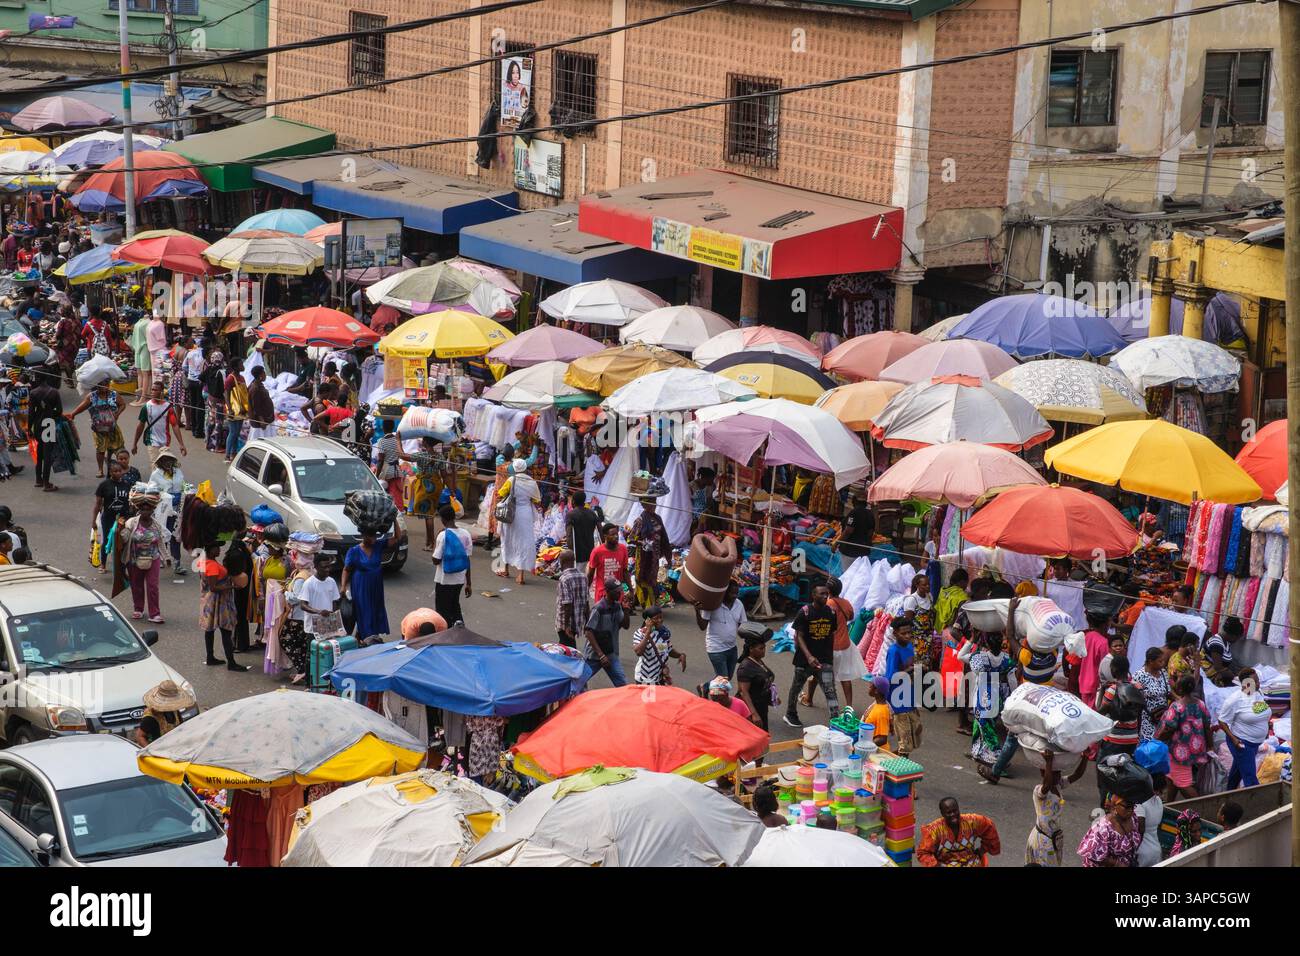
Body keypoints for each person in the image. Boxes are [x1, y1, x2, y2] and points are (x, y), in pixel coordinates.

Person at [783, 585, 840, 729]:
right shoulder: (805, 612)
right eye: (821, 594)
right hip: (804, 661)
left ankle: (835, 720)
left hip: (824, 661)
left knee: (830, 690)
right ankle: (790, 714)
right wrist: (809, 656)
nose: (825, 596)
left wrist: (830, 658)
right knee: (796, 687)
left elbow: (831, 635)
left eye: (826, 594)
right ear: (813, 595)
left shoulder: (831, 613)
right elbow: (799, 636)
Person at [1025, 751, 1089, 866]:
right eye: (1055, 773)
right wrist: (1049, 762)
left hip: (1054, 837)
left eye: (1058, 772)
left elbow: (1077, 775)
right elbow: (1047, 784)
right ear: (1043, 773)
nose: (1058, 776)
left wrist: (1085, 757)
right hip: (1042, 840)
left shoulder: (1058, 785)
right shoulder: (1039, 791)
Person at [1156, 675, 1215, 799]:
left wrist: (1156, 740)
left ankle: (1201, 808)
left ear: (1180, 690)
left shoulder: (1177, 707)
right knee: (1171, 776)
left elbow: (1168, 729)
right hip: (1196, 747)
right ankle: (1171, 804)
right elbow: (1207, 726)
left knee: (1183, 783)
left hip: (1179, 751)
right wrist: (1210, 746)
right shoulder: (1200, 704)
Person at [1095, 654, 1141, 805]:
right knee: (1124, 771)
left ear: (1113, 669)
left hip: (1113, 739)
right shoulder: (1137, 687)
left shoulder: (1112, 690)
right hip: (1132, 738)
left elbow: (1100, 711)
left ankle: (1104, 805)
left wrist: (1102, 690)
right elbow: (1139, 714)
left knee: (1104, 771)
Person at [1217, 667, 1271, 790]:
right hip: (1242, 743)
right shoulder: (1234, 700)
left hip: (1255, 743)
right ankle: (1258, 806)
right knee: (1250, 779)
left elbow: (1257, 712)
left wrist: (1265, 727)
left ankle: (1228, 796)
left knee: (1237, 773)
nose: (1258, 684)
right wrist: (1234, 739)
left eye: (1258, 681)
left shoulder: (1258, 693)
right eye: (1255, 682)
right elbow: (1222, 720)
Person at [198, 541, 248, 671]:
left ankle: (210, 657)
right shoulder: (213, 566)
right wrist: (232, 586)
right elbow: (214, 587)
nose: (219, 550)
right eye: (216, 548)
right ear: (209, 550)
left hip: (208, 599)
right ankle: (231, 662)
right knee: (226, 631)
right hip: (218, 601)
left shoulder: (205, 562)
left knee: (209, 630)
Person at [342, 527, 396, 644]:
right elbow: (346, 570)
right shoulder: (354, 551)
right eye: (370, 536)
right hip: (361, 585)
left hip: (376, 585)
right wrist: (343, 587)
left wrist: (395, 520)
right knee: (364, 611)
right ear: (363, 535)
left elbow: (397, 538)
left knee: (375, 610)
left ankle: (361, 637)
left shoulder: (378, 545)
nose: (373, 539)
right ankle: (367, 638)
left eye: (375, 536)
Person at [120, 492, 165, 623]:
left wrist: (166, 557)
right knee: (136, 585)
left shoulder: (156, 525)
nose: (145, 512)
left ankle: (155, 613)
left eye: (148, 509)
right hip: (134, 559)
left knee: (153, 586)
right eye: (143, 509)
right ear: (139, 509)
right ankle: (138, 609)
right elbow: (124, 539)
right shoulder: (131, 523)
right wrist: (120, 529)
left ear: (153, 510)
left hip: (153, 558)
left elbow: (160, 542)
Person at [916, 798, 1001, 867]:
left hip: (972, 863)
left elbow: (989, 827)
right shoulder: (934, 830)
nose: (953, 815)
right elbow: (922, 853)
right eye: (949, 813)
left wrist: (983, 849)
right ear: (942, 814)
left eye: (955, 811)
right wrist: (937, 865)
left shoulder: (972, 821)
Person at [67, 381, 127, 477]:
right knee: (100, 449)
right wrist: (73, 414)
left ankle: (119, 466)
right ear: (96, 386)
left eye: (106, 384)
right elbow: (82, 407)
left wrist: (117, 414)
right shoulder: (92, 396)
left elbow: (123, 404)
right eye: (101, 385)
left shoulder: (114, 394)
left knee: (118, 447)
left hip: (113, 427)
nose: (104, 387)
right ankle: (100, 469)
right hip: (99, 429)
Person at [496, 457, 541, 585]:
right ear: (525, 468)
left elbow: (500, 494)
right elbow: (537, 500)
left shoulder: (511, 480)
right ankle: (520, 575)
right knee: (523, 542)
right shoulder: (532, 481)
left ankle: (505, 569)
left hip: (511, 513)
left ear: (515, 468)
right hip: (526, 514)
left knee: (507, 540)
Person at [695, 580, 747, 680]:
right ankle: (716, 693)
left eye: (737, 593)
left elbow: (743, 624)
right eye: (732, 593)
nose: (735, 596)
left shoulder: (739, 604)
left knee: (727, 678)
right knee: (724, 679)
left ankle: (705, 687)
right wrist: (697, 611)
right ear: (725, 592)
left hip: (732, 648)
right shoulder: (712, 604)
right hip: (716, 648)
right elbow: (702, 626)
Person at [430, 504, 472, 627]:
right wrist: (468, 583)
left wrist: (434, 544)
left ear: (443, 519)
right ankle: (460, 632)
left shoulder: (443, 536)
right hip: (459, 579)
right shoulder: (465, 534)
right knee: (455, 606)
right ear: (454, 517)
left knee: (443, 612)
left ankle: (446, 637)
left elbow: (435, 560)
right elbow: (467, 559)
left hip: (444, 580)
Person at [885, 617, 921, 756]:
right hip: (898, 699)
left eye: (909, 633)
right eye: (903, 633)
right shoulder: (893, 651)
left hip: (909, 696)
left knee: (914, 736)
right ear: (895, 634)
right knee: (905, 741)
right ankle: (900, 770)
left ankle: (894, 757)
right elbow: (891, 677)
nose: (907, 636)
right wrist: (911, 670)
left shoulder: (910, 646)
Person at [584, 576, 629, 687]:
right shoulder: (599, 608)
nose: (620, 594)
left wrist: (626, 610)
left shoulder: (617, 606)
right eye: (617, 592)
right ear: (608, 592)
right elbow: (588, 631)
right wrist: (601, 655)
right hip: (595, 655)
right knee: (579, 681)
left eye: (620, 591)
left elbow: (626, 625)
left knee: (622, 684)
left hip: (610, 653)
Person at [627, 496, 670, 609]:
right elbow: (630, 538)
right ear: (644, 505)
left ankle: (638, 601)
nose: (653, 506)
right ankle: (649, 606)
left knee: (651, 579)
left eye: (655, 503)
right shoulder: (640, 521)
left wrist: (667, 556)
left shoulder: (658, 518)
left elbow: (664, 538)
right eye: (651, 504)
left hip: (654, 556)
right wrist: (642, 542)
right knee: (642, 578)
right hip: (643, 555)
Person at [1077, 793, 1141, 867]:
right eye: (1127, 807)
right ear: (1115, 806)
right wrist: (1117, 864)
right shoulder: (1102, 828)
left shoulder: (1133, 818)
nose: (1131, 810)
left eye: (1133, 806)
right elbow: (1094, 855)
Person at [90, 459, 132, 573]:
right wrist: (93, 520)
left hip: (122, 518)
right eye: (115, 471)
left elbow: (130, 501)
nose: (118, 473)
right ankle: (103, 564)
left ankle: (120, 565)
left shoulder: (127, 485)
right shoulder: (104, 485)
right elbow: (98, 504)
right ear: (110, 472)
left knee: (122, 541)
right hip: (108, 517)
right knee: (107, 540)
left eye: (120, 471)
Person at [148, 449, 186, 574]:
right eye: (164, 460)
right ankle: (159, 559)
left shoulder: (178, 472)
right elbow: (152, 490)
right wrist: (165, 495)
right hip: (162, 509)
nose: (167, 463)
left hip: (177, 509)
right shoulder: (156, 474)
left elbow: (183, 486)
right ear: (160, 462)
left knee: (176, 536)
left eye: (169, 460)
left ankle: (177, 563)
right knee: (161, 534)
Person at [131, 380, 187, 462]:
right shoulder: (146, 407)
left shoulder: (169, 407)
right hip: (152, 441)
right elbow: (140, 425)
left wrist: (181, 444)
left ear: (161, 392)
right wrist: (134, 444)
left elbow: (175, 425)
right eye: (152, 390)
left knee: (165, 468)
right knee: (155, 467)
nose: (152, 392)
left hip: (165, 442)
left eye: (155, 390)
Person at [1133, 744, 1169, 867]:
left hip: (1141, 853)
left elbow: (1140, 828)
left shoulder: (1139, 802)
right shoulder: (1158, 802)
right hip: (1156, 850)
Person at [28, 368, 63, 492]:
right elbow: (59, 411)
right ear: (47, 378)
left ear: (37, 378)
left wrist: (29, 428)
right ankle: (47, 483)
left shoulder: (33, 393)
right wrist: (50, 412)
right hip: (49, 424)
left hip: (38, 424)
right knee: (47, 454)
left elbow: (31, 413)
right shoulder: (54, 392)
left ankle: (38, 479)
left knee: (40, 452)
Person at [632, 607, 685, 685]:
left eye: (661, 617)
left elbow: (666, 650)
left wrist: (680, 655)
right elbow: (638, 652)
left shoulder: (663, 632)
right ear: (648, 620)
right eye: (656, 618)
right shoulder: (640, 633)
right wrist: (647, 633)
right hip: (646, 677)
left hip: (659, 676)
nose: (660, 620)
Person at [735, 628, 775, 730]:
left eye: (764, 648)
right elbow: (743, 692)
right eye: (760, 648)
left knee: (763, 736)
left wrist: (773, 696)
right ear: (751, 649)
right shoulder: (745, 667)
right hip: (751, 708)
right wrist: (754, 714)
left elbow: (765, 678)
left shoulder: (758, 661)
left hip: (761, 705)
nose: (764, 651)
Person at [1134, 646, 1171, 742]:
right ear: (1150, 661)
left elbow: (1169, 691)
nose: (1163, 664)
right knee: (1149, 746)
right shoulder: (1140, 675)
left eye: (1163, 661)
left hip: (1162, 717)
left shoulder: (1163, 673)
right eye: (1160, 661)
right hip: (1147, 719)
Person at [554, 550, 589, 649]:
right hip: (577, 621)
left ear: (562, 562)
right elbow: (586, 603)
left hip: (565, 622)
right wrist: (588, 622)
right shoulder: (583, 577)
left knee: (568, 649)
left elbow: (567, 605)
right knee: (564, 646)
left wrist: (566, 626)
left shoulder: (564, 578)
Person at [1076, 610, 1113, 702]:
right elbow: (1106, 668)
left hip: (1084, 681)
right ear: (1105, 623)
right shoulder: (1103, 642)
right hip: (1095, 686)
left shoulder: (1087, 636)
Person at [587, 523, 628, 604]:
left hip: (618, 594)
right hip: (602, 594)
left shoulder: (623, 549)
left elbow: (625, 571)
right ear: (605, 536)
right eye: (612, 534)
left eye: (616, 534)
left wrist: (630, 589)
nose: (616, 536)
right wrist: (585, 591)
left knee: (621, 616)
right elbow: (590, 574)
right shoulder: (597, 552)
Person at [902, 572, 936, 669]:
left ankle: (926, 683)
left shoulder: (929, 597)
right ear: (917, 585)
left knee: (928, 664)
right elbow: (908, 622)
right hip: (917, 640)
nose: (927, 586)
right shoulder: (912, 600)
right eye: (924, 585)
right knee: (918, 666)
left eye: (928, 584)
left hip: (929, 638)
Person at [1201, 617, 1244, 686]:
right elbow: (1218, 667)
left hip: (1218, 674)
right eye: (1237, 638)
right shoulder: (1217, 644)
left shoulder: (1225, 642)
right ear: (1232, 635)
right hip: (1209, 676)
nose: (1236, 641)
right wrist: (1236, 677)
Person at [373, 418, 405, 510]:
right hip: (397, 470)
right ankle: (399, 513)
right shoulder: (397, 440)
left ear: (383, 428)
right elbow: (400, 453)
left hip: (386, 472)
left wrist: (376, 475)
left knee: (386, 495)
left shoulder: (381, 441)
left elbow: (381, 460)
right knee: (397, 495)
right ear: (393, 427)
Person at [564, 489, 601, 567]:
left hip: (578, 555)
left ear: (573, 501)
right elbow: (600, 530)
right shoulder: (592, 513)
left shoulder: (571, 515)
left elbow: (569, 535)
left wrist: (571, 552)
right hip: (590, 553)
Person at [223, 357, 248, 463]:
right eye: (241, 364)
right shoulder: (230, 378)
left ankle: (234, 453)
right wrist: (229, 409)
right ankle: (227, 455)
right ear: (235, 367)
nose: (243, 366)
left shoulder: (242, 378)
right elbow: (226, 394)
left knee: (237, 432)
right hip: (233, 409)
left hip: (242, 409)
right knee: (233, 432)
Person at [247, 366, 275, 440]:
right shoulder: (255, 388)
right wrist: (261, 420)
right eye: (264, 373)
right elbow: (256, 407)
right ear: (260, 375)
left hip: (266, 418)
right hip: (260, 423)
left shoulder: (259, 385)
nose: (265, 375)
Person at [864, 676, 891, 748]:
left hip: (878, 753)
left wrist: (865, 747)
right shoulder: (876, 704)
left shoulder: (881, 712)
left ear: (876, 691)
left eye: (870, 686)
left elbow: (882, 739)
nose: (869, 687)